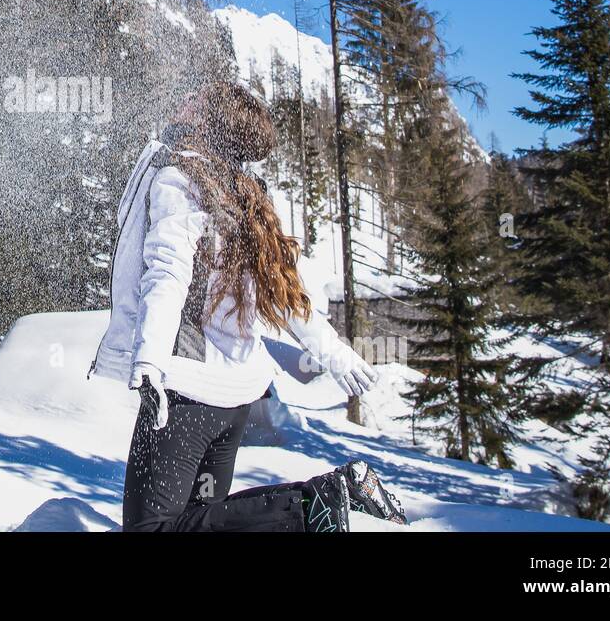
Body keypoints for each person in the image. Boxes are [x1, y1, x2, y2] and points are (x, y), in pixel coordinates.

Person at [90, 81, 408, 532]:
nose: (185, 98)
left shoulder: (179, 181)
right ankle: (329, 497)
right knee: (200, 521)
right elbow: (286, 291)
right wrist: (334, 352)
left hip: (184, 389)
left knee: (150, 528)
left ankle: (312, 504)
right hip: (234, 400)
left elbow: (168, 273)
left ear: (207, 122)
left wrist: (150, 358)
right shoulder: (247, 192)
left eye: (196, 99)